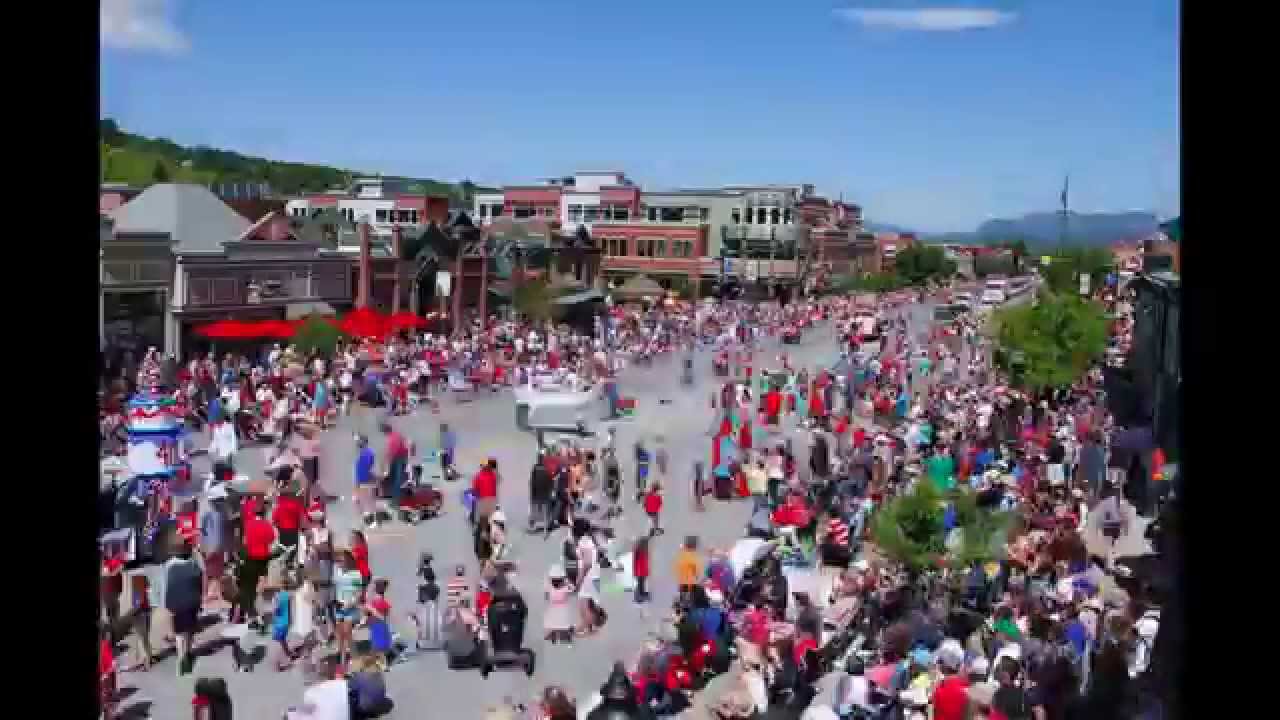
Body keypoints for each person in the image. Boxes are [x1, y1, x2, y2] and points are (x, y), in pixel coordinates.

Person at [164, 541, 203, 676]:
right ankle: (187, 654)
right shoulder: (193, 565)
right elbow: (199, 583)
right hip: (192, 602)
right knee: (190, 630)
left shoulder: (170, 566)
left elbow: (167, 587)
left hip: (176, 603)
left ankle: (182, 659)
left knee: (180, 633)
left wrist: (168, 605)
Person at [239, 503, 276, 629]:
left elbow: (244, 541)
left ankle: (252, 617)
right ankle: (261, 614)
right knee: (261, 586)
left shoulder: (248, 524)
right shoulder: (267, 525)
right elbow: (271, 539)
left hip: (250, 558)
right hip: (263, 558)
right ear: (264, 513)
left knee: (250, 588)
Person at [353, 435, 378, 528]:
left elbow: (367, 470)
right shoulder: (365, 452)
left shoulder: (367, 453)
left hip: (365, 482)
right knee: (361, 502)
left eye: (359, 441)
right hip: (363, 482)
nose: (357, 443)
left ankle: (369, 522)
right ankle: (367, 521)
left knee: (364, 502)